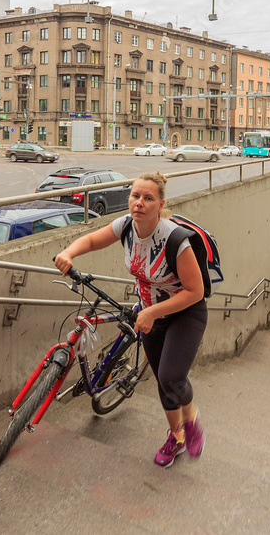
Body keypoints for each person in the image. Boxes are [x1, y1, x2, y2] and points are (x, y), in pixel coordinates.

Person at [54, 172, 207, 468]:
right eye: (135, 196)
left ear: (160, 204)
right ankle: (176, 438)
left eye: (148, 198)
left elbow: (195, 292)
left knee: (172, 378)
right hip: (149, 313)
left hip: (185, 313)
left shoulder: (175, 240)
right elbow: (92, 240)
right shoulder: (126, 226)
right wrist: (68, 253)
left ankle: (191, 422)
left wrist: (151, 312)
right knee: (163, 383)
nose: (139, 203)